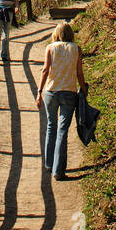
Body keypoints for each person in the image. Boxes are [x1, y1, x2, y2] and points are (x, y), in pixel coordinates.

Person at [36, 21, 87, 180]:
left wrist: (39, 92)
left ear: (56, 34)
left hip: (51, 92)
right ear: (71, 34)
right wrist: (84, 91)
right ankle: (58, 171)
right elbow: (79, 73)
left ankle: (49, 164)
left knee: (51, 126)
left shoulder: (50, 48)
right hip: (68, 93)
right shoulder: (76, 49)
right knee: (62, 131)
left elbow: (45, 70)